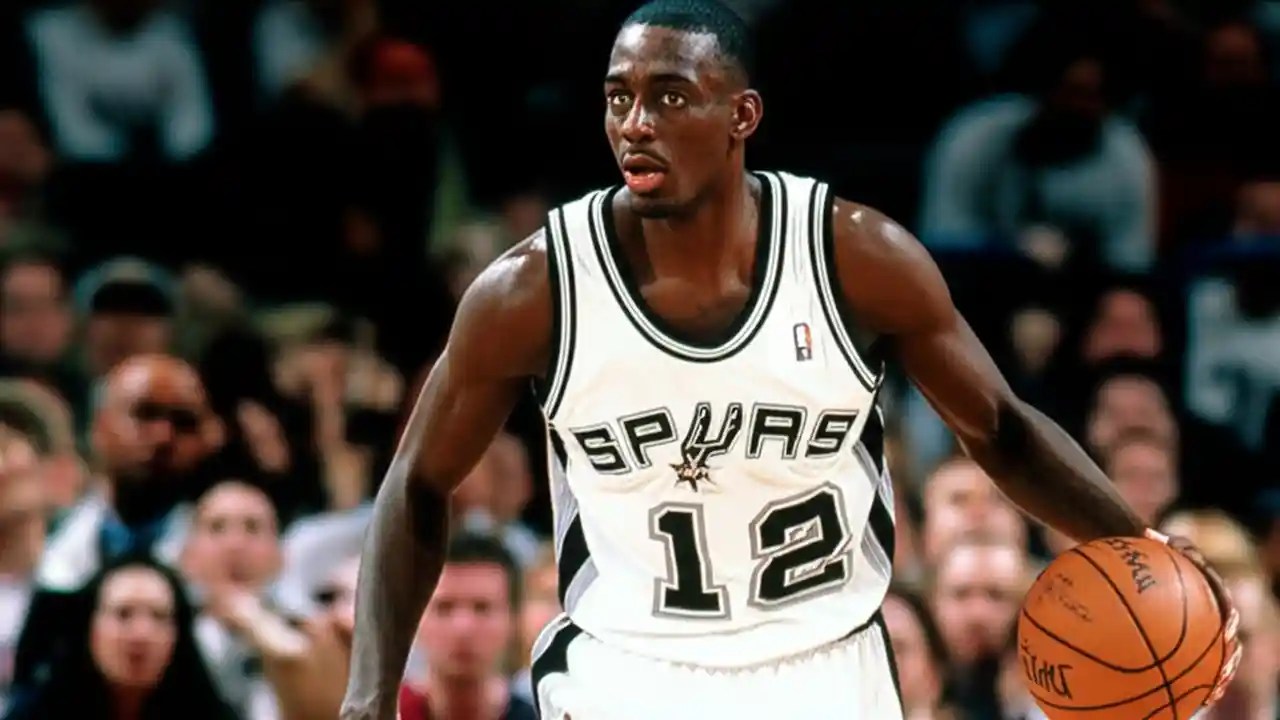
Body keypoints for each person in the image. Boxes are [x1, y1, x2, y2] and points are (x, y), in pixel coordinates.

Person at [340, 2, 1241, 718]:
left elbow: (1001, 427)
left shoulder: (855, 258)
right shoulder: (532, 289)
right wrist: (367, 697)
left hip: (828, 666)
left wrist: (1144, 548)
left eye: (669, 95)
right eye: (619, 97)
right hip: (627, 670)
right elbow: (415, 483)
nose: (635, 124)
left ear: (743, 115)